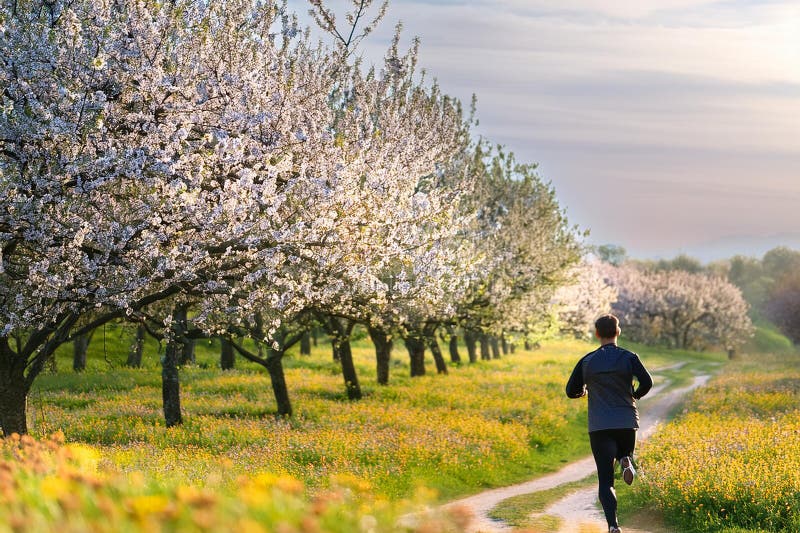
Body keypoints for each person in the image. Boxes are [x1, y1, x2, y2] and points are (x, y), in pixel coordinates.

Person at [566, 314, 653, 533]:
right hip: (626, 421)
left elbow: (570, 390)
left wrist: (583, 391)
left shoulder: (587, 361)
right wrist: (635, 394)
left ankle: (613, 526)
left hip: (600, 426)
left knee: (605, 480)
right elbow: (647, 382)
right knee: (625, 452)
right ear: (618, 331)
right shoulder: (629, 357)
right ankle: (625, 459)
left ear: (597, 334)